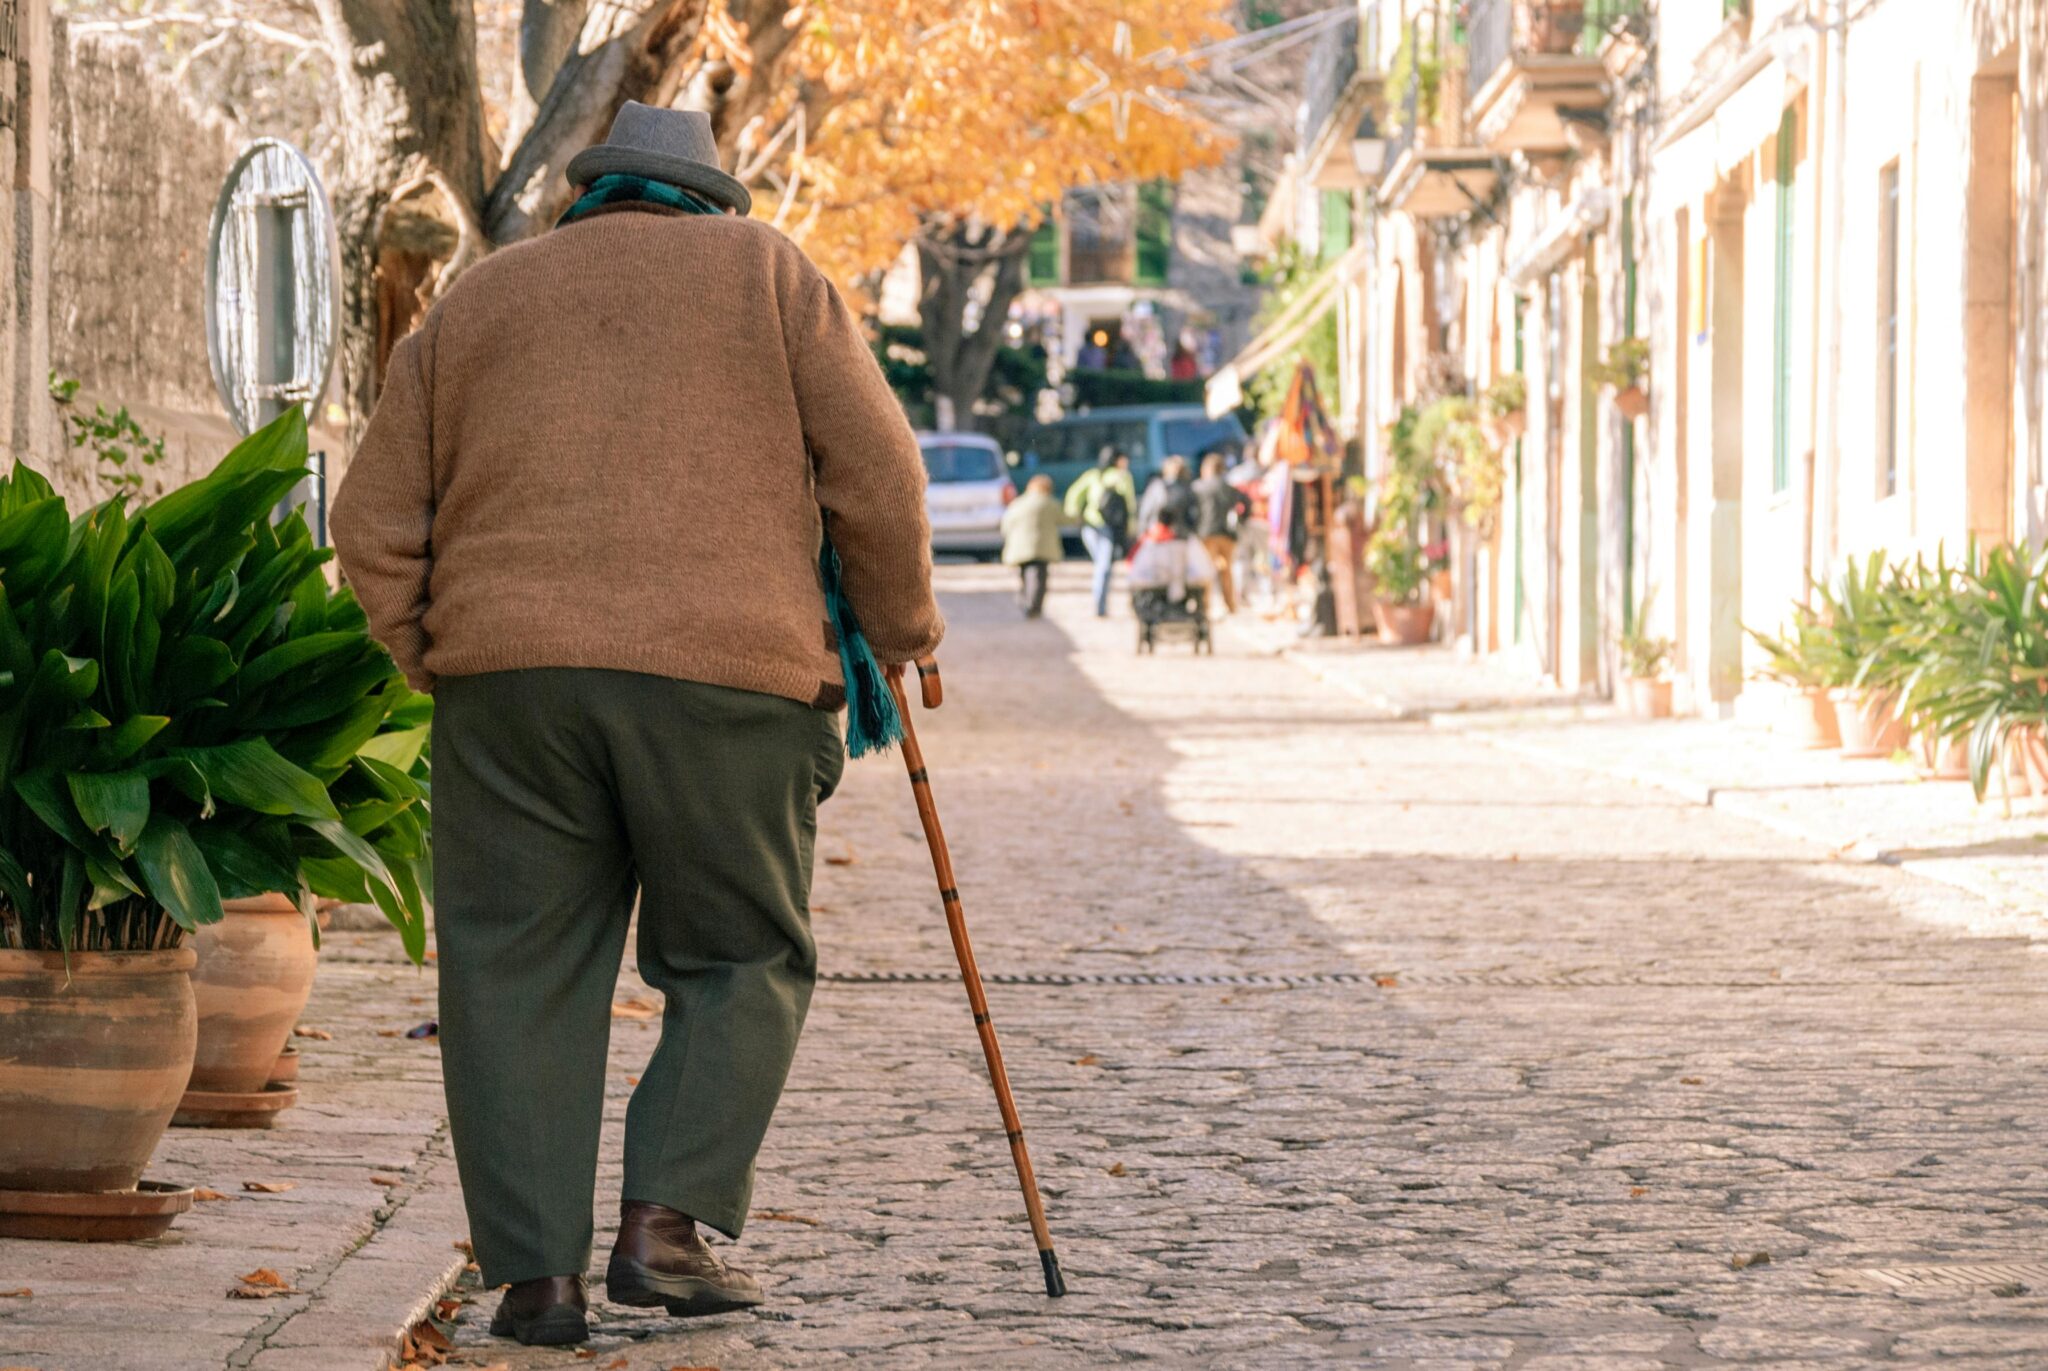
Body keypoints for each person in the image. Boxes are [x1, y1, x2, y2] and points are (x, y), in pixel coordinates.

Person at [330, 103, 942, 1348]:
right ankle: (662, 1227)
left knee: (509, 977)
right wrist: (898, 627)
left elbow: (372, 518)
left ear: (591, 192)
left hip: (509, 688)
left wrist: (437, 654)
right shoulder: (768, 273)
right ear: (708, 198)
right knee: (739, 957)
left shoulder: (483, 297)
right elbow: (877, 473)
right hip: (728, 681)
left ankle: (536, 1283)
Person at [1063, 446, 1136, 617]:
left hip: (1090, 525)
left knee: (1101, 565)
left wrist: (1075, 517)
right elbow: (1130, 505)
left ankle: (1100, 603)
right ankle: (1100, 605)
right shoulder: (1123, 477)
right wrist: (1131, 528)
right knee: (1104, 566)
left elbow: (1073, 496)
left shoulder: (1092, 475)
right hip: (1108, 528)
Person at [1191, 450, 1252, 614]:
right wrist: (1242, 520)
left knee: (1206, 571)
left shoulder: (1198, 487)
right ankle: (1230, 604)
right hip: (1227, 534)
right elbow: (1246, 502)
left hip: (1206, 533)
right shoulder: (1230, 489)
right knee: (1227, 571)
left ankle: (1205, 605)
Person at [1000, 473, 1063, 617]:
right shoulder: (1049, 503)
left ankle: (1025, 601)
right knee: (1039, 578)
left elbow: (1006, 525)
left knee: (1025, 575)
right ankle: (1034, 606)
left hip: (1019, 549)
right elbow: (1064, 518)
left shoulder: (1018, 503)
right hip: (1042, 548)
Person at [1137, 455, 1196, 535]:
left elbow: (1145, 512)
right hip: (1162, 533)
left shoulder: (1185, 488)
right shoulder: (1158, 487)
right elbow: (1146, 512)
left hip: (1169, 534)